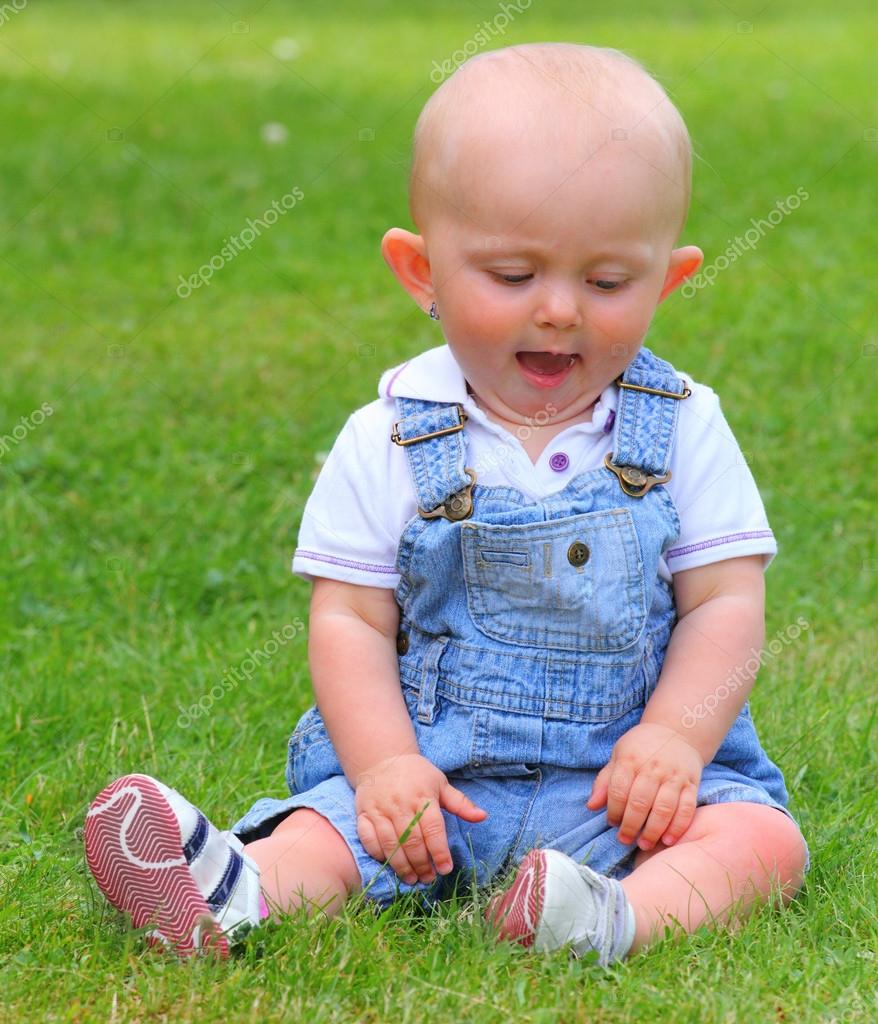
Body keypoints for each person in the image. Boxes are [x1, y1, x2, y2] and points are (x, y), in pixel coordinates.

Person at [84, 41, 809, 965]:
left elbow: (726, 603)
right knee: (334, 833)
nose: (560, 310)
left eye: (607, 282)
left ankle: (609, 916)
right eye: (512, 276)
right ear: (420, 271)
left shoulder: (684, 427)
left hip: (625, 799)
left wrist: (675, 738)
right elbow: (350, 618)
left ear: (667, 278)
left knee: (760, 842)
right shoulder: (391, 435)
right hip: (436, 788)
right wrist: (386, 765)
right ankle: (239, 890)